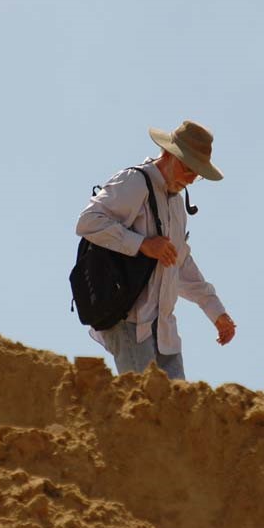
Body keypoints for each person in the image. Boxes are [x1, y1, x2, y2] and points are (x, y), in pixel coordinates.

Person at [75, 120, 236, 380]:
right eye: (188, 168)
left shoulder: (176, 207)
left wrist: (216, 312)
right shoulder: (134, 181)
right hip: (129, 324)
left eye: (197, 173)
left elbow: (180, 264)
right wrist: (143, 245)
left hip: (165, 334)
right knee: (144, 409)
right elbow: (88, 222)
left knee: (176, 414)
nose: (192, 179)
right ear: (169, 154)